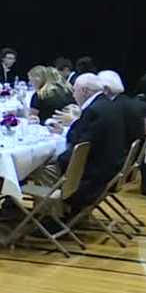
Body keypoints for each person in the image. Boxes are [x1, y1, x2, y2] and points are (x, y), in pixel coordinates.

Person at [47, 73, 125, 211]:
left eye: (74, 90)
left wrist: (58, 161)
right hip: (112, 167)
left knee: (43, 169)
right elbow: (87, 136)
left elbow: (81, 146)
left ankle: (53, 214)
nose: (73, 95)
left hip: (94, 177)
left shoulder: (94, 110)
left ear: (84, 91)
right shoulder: (108, 105)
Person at [99, 70, 146, 151]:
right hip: (132, 151)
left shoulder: (112, 108)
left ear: (106, 89)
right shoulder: (129, 102)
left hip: (120, 152)